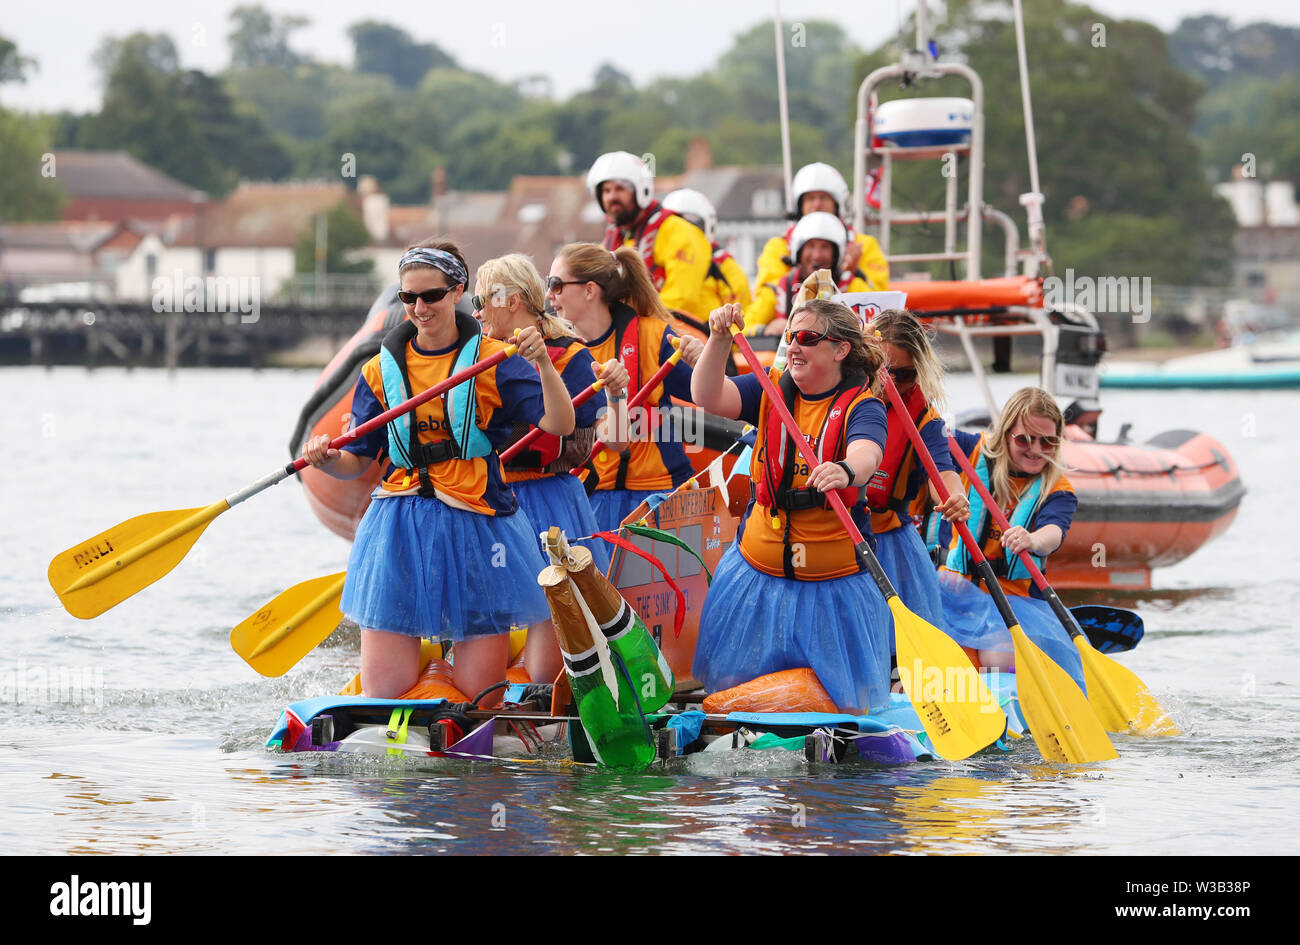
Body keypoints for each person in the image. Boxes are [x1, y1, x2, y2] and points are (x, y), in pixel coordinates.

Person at [300, 239, 575, 702]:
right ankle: (417, 701)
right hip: (398, 524)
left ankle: (472, 708)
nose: (419, 308)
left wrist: (544, 362)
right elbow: (358, 463)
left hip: (478, 522)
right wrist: (329, 460)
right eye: (408, 298)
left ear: (457, 292)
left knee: (480, 696)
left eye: (431, 296)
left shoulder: (495, 361)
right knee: (384, 690)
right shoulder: (377, 371)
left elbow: (561, 423)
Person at [689, 298, 893, 714]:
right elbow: (707, 396)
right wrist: (717, 340)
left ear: (840, 350)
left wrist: (845, 471)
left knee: (842, 710)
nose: (794, 346)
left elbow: (867, 454)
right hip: (755, 580)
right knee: (740, 702)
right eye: (790, 337)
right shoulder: (769, 389)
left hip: (833, 591)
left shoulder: (864, 407)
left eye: (807, 338)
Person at [472, 254, 630, 682]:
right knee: (486, 604)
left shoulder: (570, 357)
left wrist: (618, 394)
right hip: (487, 496)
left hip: (547, 498)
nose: (477, 312)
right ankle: (483, 686)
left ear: (514, 300)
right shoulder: (475, 356)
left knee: (549, 619)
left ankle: (542, 693)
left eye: (482, 300)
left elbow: (615, 438)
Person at [938, 387, 1086, 692]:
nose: (1036, 449)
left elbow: (1054, 534)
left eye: (1048, 441)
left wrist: (1031, 539)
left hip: (1014, 603)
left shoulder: (1059, 490)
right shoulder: (970, 451)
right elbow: (927, 431)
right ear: (1006, 435)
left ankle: (1007, 704)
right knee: (942, 659)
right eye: (1024, 439)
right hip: (954, 592)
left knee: (995, 657)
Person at [547, 242, 697, 532]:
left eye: (556, 285)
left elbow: (705, 393)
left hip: (659, 493)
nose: (549, 295)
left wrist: (705, 358)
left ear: (589, 290)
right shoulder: (555, 351)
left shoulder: (653, 336)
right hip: (591, 495)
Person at [868, 309, 968, 643]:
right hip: (833, 535)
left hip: (888, 543)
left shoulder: (925, 417)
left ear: (920, 372)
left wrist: (956, 498)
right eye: (883, 372)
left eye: (904, 375)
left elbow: (943, 471)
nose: (891, 385)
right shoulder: (839, 393)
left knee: (891, 644)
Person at [587, 151, 712, 323]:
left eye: (620, 189)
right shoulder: (609, 243)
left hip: (685, 330)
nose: (612, 197)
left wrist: (629, 321)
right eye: (606, 191)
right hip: (635, 331)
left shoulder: (679, 231)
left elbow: (682, 299)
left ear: (642, 190)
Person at [752, 162, 889, 300]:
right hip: (794, 317)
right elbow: (768, 297)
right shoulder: (778, 247)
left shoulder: (863, 245)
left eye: (823, 197)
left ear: (837, 204)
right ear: (800, 206)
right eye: (810, 198)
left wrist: (853, 274)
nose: (817, 204)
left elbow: (879, 300)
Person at [747, 212, 875, 337]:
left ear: (836, 254)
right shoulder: (780, 290)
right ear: (798, 251)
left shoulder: (854, 287)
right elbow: (745, 327)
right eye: (810, 246)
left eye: (825, 247)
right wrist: (764, 330)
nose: (816, 255)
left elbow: (877, 329)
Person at [661, 188, 754, 316]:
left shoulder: (724, 267)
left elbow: (742, 317)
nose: (682, 232)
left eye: (688, 224)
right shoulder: (654, 258)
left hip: (706, 333)